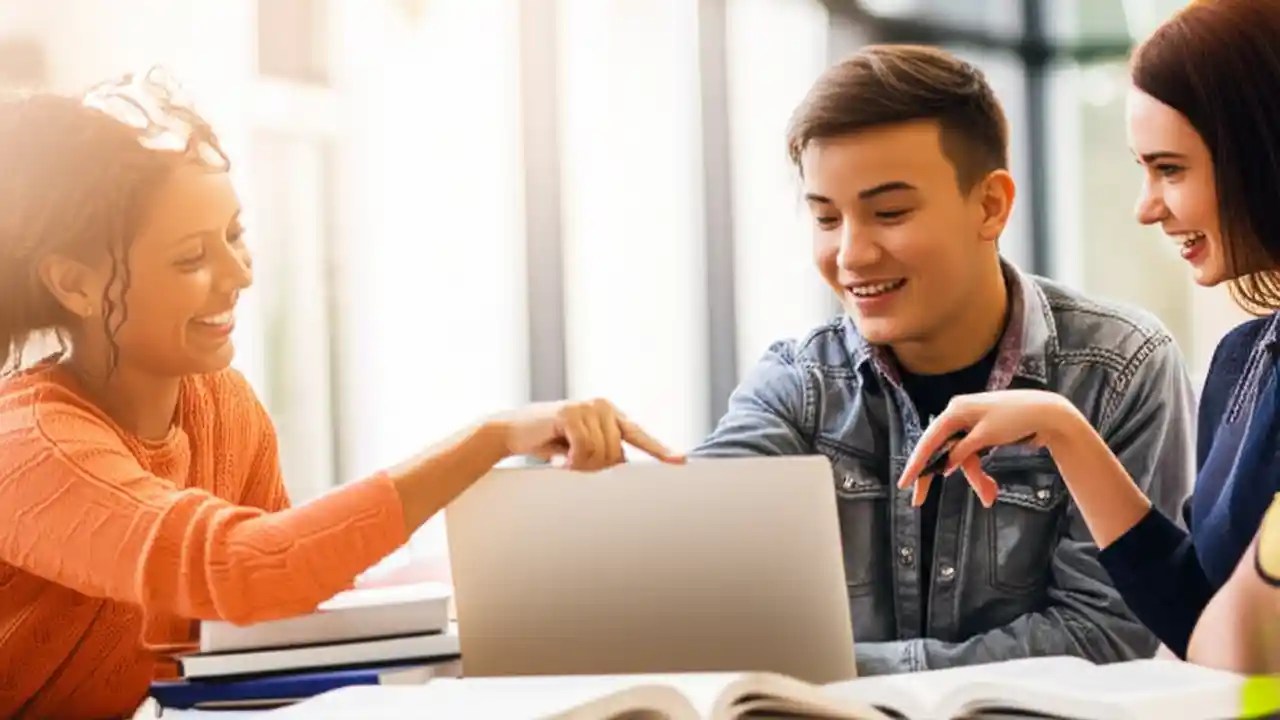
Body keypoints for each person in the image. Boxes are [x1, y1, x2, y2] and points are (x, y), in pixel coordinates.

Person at [0, 70, 682, 720]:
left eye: (235, 236)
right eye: (190, 258)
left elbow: (287, 612)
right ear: (75, 284)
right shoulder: (29, 447)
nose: (237, 274)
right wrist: (492, 439)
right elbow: (249, 570)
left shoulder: (222, 408)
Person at [693, 44, 1193, 675]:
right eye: (825, 218)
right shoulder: (798, 386)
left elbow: (1108, 635)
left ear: (990, 206)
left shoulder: (1120, 369)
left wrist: (841, 673)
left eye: (890, 213)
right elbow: (682, 572)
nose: (851, 254)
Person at [898, 0, 1280, 669]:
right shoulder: (1243, 361)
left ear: (1260, 150)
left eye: (1171, 169)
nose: (1145, 206)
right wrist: (1064, 430)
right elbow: (1198, 618)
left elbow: (1238, 657)